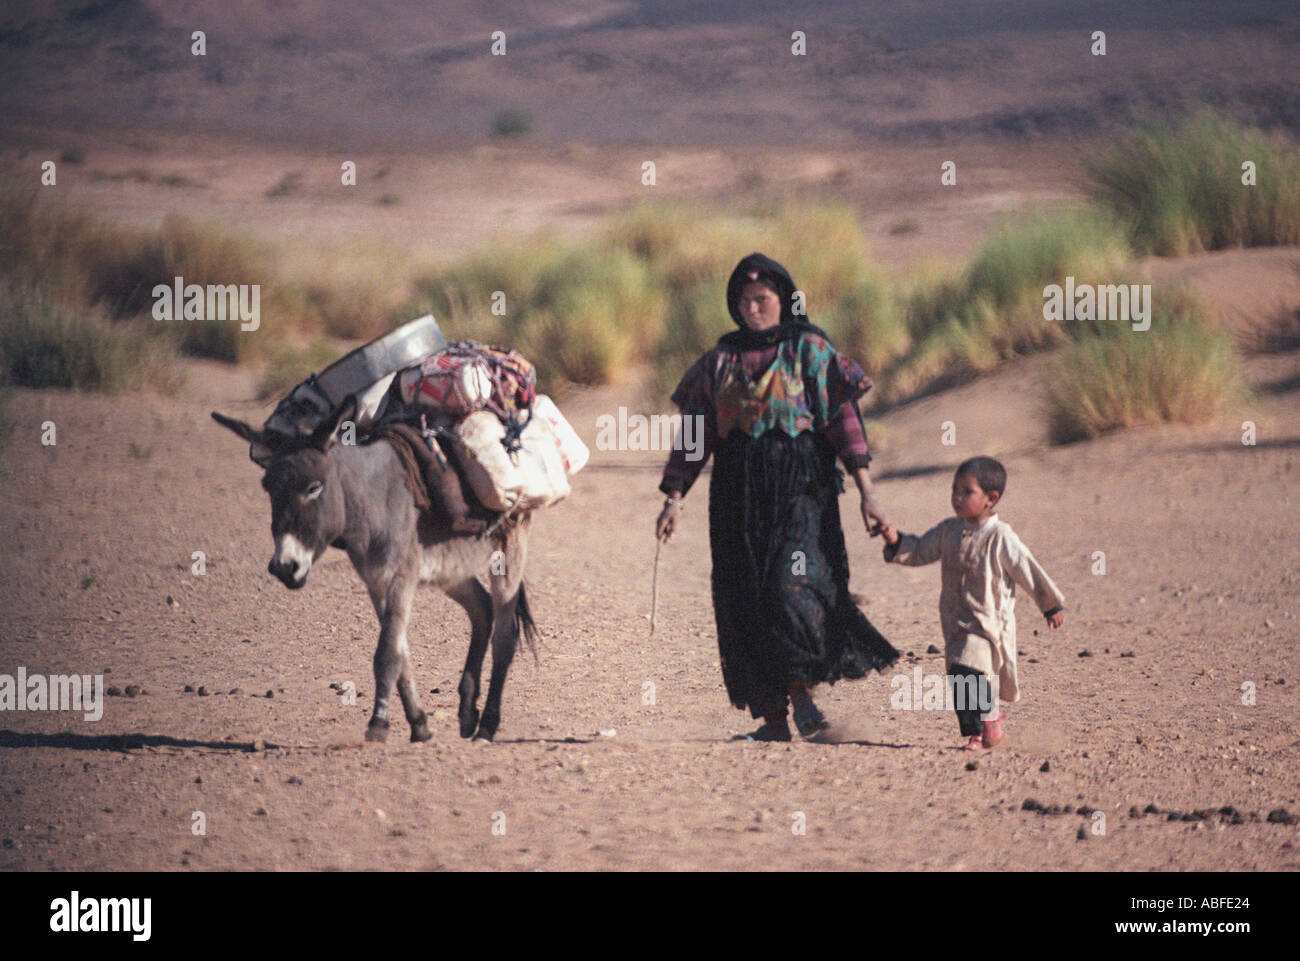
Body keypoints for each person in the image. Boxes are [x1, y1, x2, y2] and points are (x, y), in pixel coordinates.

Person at [655, 252, 900, 741]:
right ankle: (772, 719)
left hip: (800, 488)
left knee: (790, 585)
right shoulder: (719, 361)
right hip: (735, 494)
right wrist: (674, 498)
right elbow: (694, 437)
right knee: (743, 596)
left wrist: (867, 493)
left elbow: (843, 421)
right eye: (743, 302)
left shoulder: (809, 349)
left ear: (782, 300)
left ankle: (801, 690)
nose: (751, 310)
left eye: (761, 299)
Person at [878, 456, 1065, 750]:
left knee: (971, 669)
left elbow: (1027, 568)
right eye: (955, 489)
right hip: (954, 622)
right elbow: (920, 551)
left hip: (988, 624)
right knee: (959, 676)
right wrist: (895, 540)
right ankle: (987, 721)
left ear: (991, 498)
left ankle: (979, 731)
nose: (957, 497)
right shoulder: (949, 530)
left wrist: (1050, 605)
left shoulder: (1000, 536)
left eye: (967, 491)